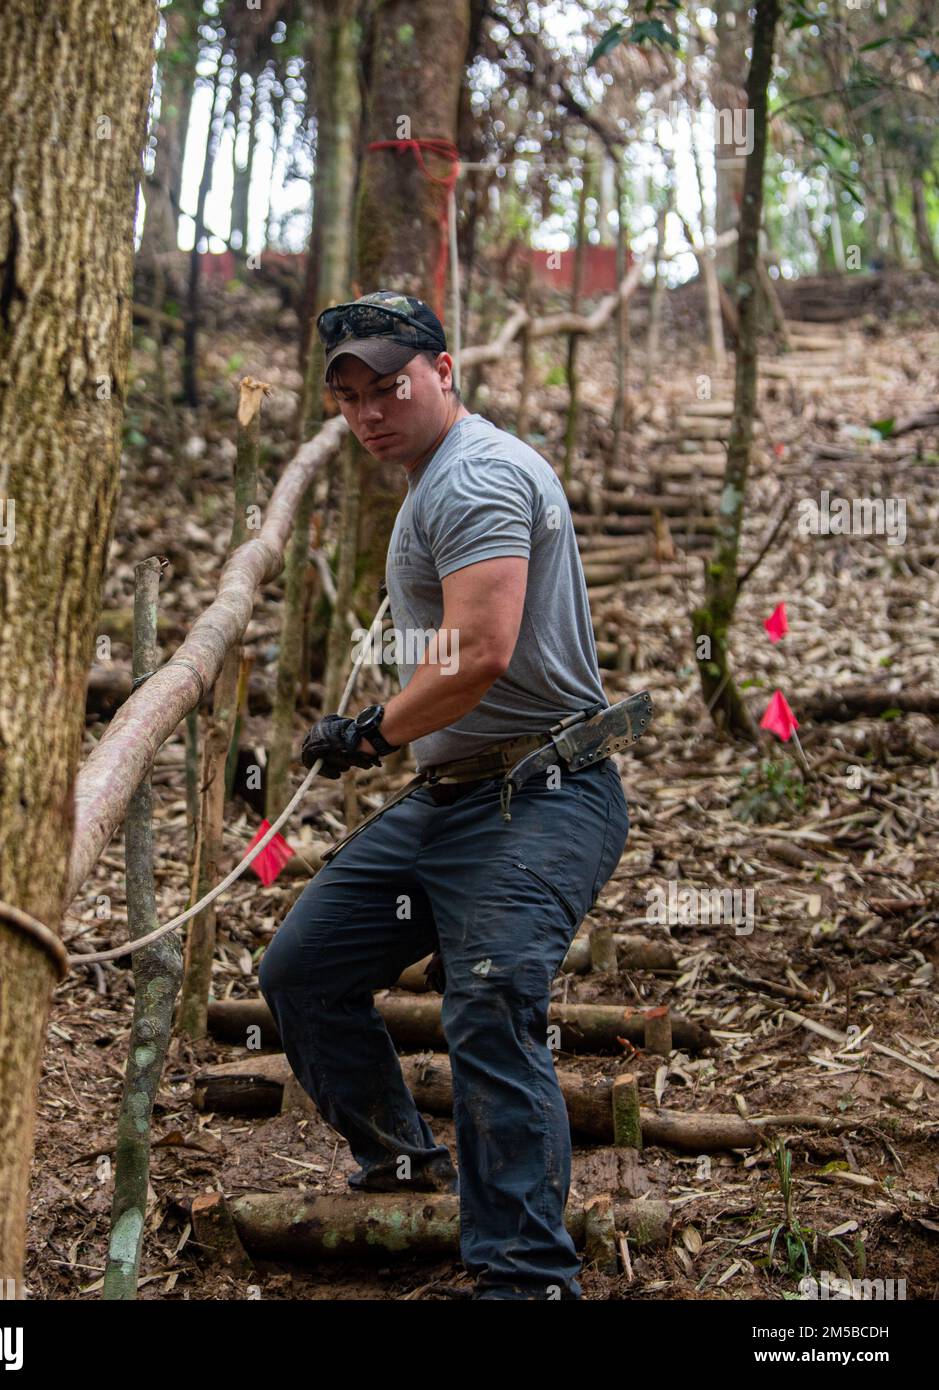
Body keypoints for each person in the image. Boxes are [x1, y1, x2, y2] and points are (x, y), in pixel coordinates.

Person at [258, 290, 630, 1300]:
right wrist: (386, 731)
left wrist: (372, 729)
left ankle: (522, 1274)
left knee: (488, 998)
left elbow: (476, 652)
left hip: (543, 792)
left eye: (390, 386)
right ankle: (400, 1153)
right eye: (350, 397)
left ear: (444, 371)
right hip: (452, 797)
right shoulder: (431, 480)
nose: (372, 411)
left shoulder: (474, 479)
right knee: (301, 970)